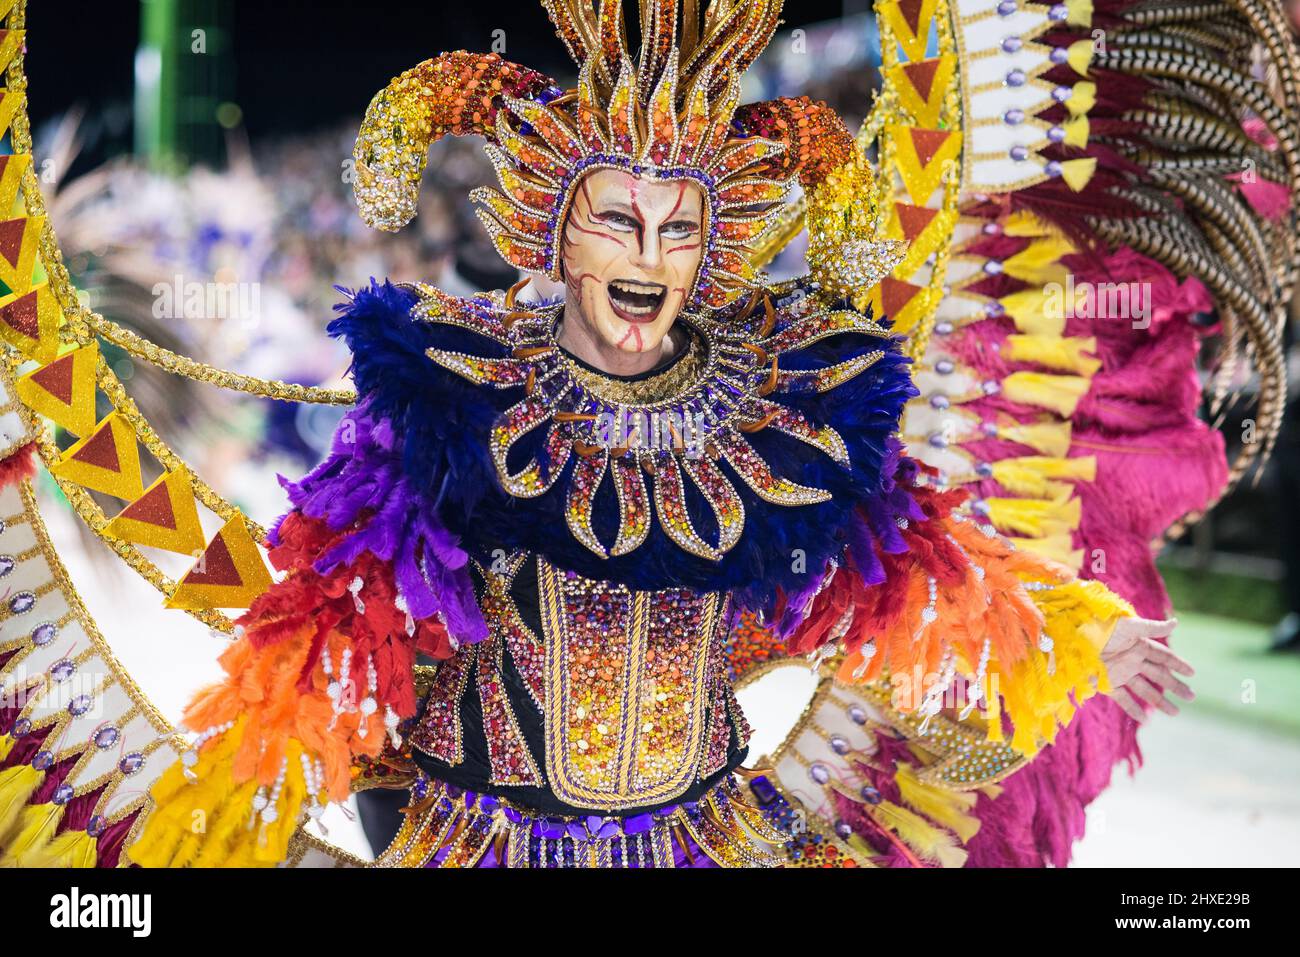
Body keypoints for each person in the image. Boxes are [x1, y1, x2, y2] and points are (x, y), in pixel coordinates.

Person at [126, 0, 1196, 869]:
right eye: (616, 219)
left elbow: (913, 555)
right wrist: (252, 810)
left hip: (703, 839)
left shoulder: (783, 395)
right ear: (552, 228)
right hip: (475, 839)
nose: (649, 254)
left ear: (710, 248)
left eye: (677, 227)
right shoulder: (451, 381)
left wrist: (1071, 628)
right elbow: (329, 604)